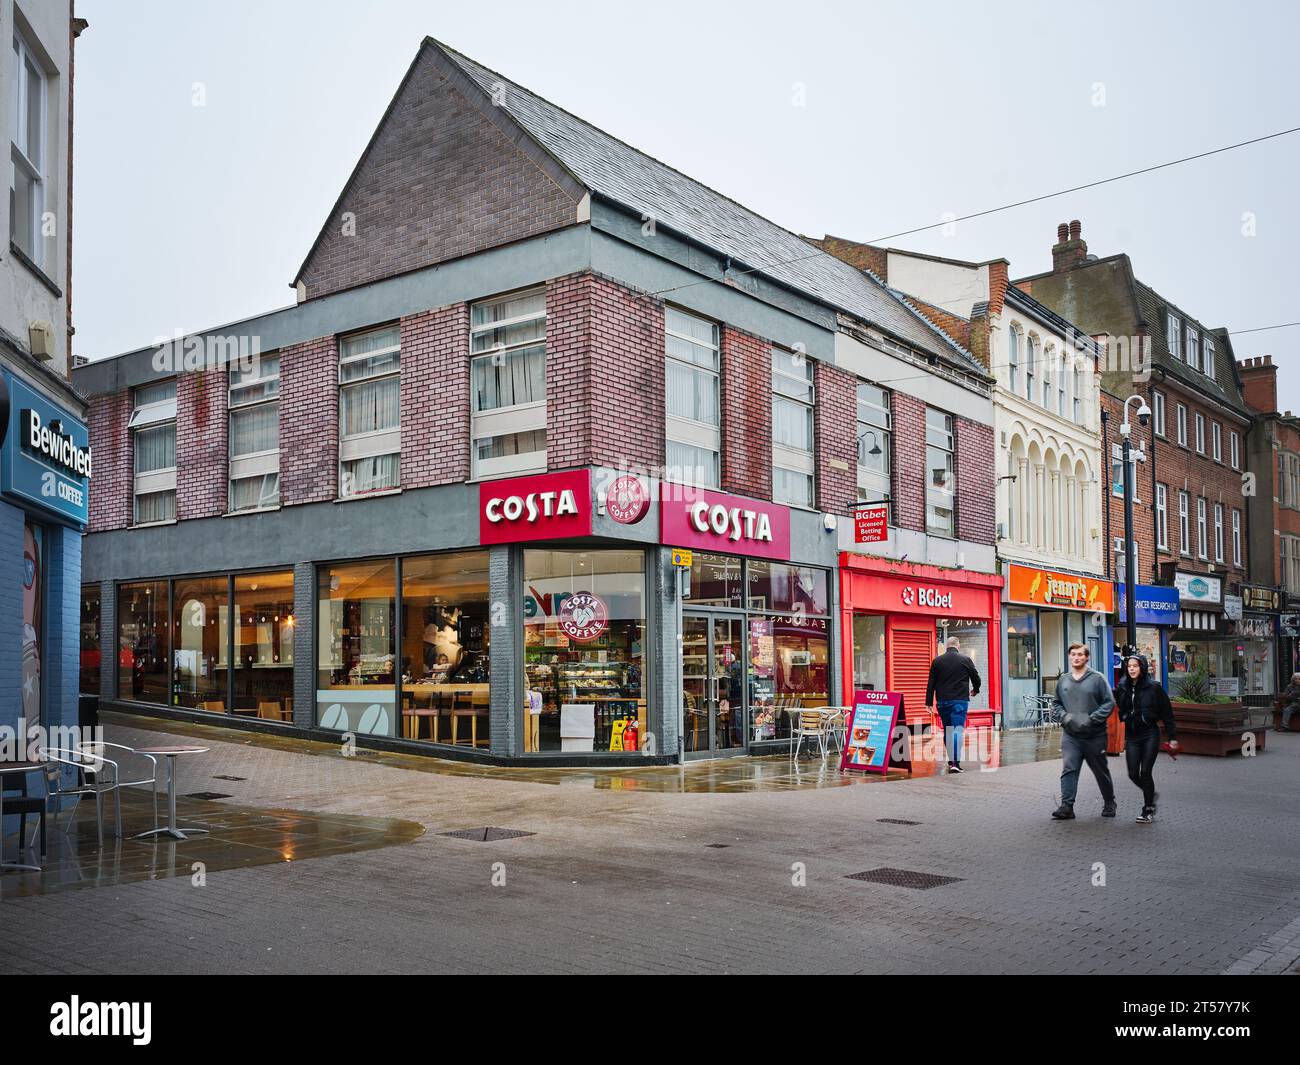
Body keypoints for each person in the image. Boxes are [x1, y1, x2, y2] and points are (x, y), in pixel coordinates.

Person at [1050, 642, 1117, 819]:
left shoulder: (1097, 678)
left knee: (1100, 771)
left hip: (1094, 736)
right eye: (1073, 654)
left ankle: (1109, 802)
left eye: (1080, 654)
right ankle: (1067, 807)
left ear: (1087, 657)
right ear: (1069, 656)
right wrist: (1065, 717)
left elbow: (1109, 702)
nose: (1076, 657)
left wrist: (1092, 719)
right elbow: (1056, 704)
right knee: (1069, 768)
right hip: (1071, 735)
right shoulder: (1063, 680)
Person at [1114, 655, 1179, 824]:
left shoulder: (1154, 688)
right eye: (1129, 666)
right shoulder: (1123, 687)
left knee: (1145, 772)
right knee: (1133, 773)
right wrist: (1125, 716)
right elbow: (1118, 705)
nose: (1132, 669)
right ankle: (1151, 794)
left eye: (1135, 666)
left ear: (1142, 667)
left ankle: (1147, 808)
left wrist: (1172, 738)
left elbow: (1167, 713)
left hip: (1150, 733)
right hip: (1132, 735)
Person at [925, 637, 981, 773]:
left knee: (948, 730)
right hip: (959, 701)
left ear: (947, 646)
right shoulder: (965, 660)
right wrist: (975, 690)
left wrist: (928, 703)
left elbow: (931, 683)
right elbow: (976, 678)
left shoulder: (937, 661)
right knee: (957, 730)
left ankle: (951, 760)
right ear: (958, 645)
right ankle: (955, 762)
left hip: (942, 702)